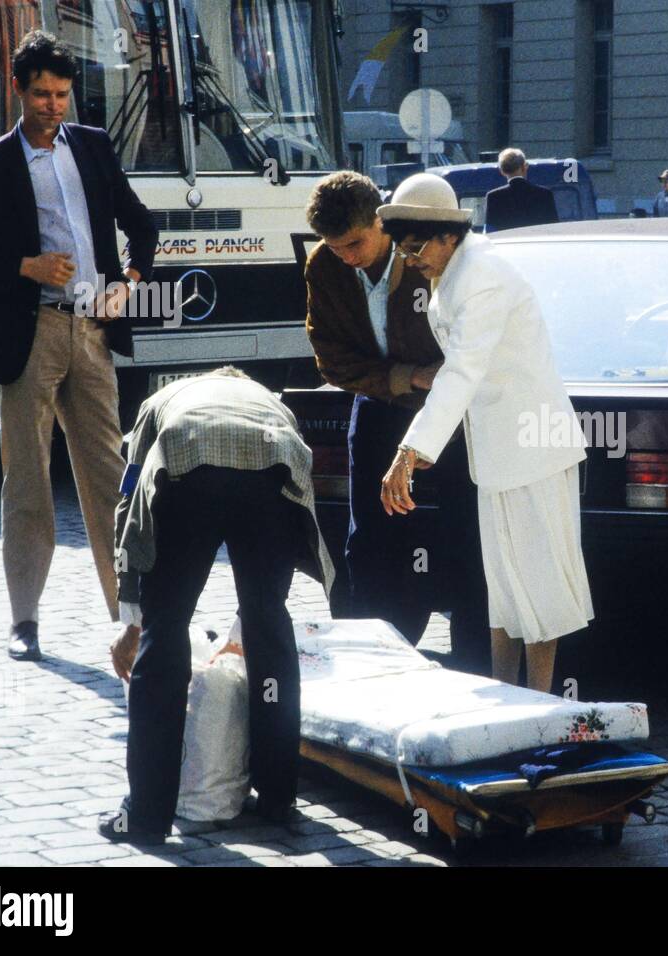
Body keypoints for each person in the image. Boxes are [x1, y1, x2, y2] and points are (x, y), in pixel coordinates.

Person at [0, 30, 158, 663]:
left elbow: (142, 225)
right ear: (17, 89)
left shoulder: (92, 147)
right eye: (41, 94)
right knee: (26, 482)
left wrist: (130, 286)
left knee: (108, 480)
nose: (53, 106)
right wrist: (24, 267)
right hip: (27, 335)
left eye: (61, 95)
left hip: (91, 332)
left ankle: (134, 619)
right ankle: (24, 622)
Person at [375, 174, 593, 694]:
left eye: (418, 246)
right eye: (403, 249)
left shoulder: (483, 275)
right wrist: (426, 444)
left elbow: (462, 370)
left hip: (534, 451)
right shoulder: (453, 271)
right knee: (503, 586)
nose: (411, 259)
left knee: (540, 588)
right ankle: (505, 695)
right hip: (499, 453)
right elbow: (467, 376)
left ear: (450, 234)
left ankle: (540, 704)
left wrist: (410, 449)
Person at [100, 367, 334, 845]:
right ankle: (277, 796)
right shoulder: (270, 402)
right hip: (275, 462)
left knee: (165, 630)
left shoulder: (163, 402)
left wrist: (132, 621)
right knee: (269, 622)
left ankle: (145, 814)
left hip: (188, 464)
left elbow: (130, 506)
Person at [302, 171, 490, 673]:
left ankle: (475, 661)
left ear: (381, 223)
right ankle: (373, 658)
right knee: (369, 540)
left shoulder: (430, 256)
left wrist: (432, 382)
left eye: (355, 243)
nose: (346, 255)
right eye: (334, 246)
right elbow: (331, 361)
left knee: (464, 534)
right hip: (380, 408)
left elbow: (466, 350)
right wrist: (407, 377)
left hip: (450, 414)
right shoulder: (323, 266)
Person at [483, 148, 559, 232]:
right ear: (525, 166)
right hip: (537, 243)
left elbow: (489, 231)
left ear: (502, 171)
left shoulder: (493, 197)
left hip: (506, 244)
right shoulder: (545, 194)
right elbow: (554, 228)